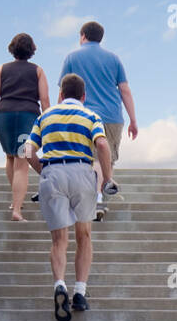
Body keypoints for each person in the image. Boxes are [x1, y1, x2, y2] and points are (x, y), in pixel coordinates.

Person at [24, 74, 113, 321]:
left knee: (59, 239)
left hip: (53, 173)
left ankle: (60, 285)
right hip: (82, 173)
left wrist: (43, 169)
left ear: (61, 95)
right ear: (83, 96)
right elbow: (103, 146)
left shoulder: (45, 116)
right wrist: (107, 178)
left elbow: (28, 150)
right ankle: (80, 292)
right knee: (83, 235)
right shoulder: (91, 116)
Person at [59, 21, 138, 200]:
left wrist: (59, 115)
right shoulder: (114, 59)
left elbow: (63, 91)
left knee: (84, 157)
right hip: (111, 116)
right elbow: (124, 90)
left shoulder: (71, 58)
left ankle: (90, 196)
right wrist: (133, 120)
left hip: (79, 115)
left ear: (83, 36)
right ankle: (98, 197)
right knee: (104, 158)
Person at [0, 34, 50, 221]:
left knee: (10, 156)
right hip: (27, 116)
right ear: (32, 50)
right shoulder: (38, 71)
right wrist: (49, 120)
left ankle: (15, 200)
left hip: (3, 116)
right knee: (22, 163)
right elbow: (44, 99)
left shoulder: (1, 69)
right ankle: (17, 210)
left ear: (12, 49)